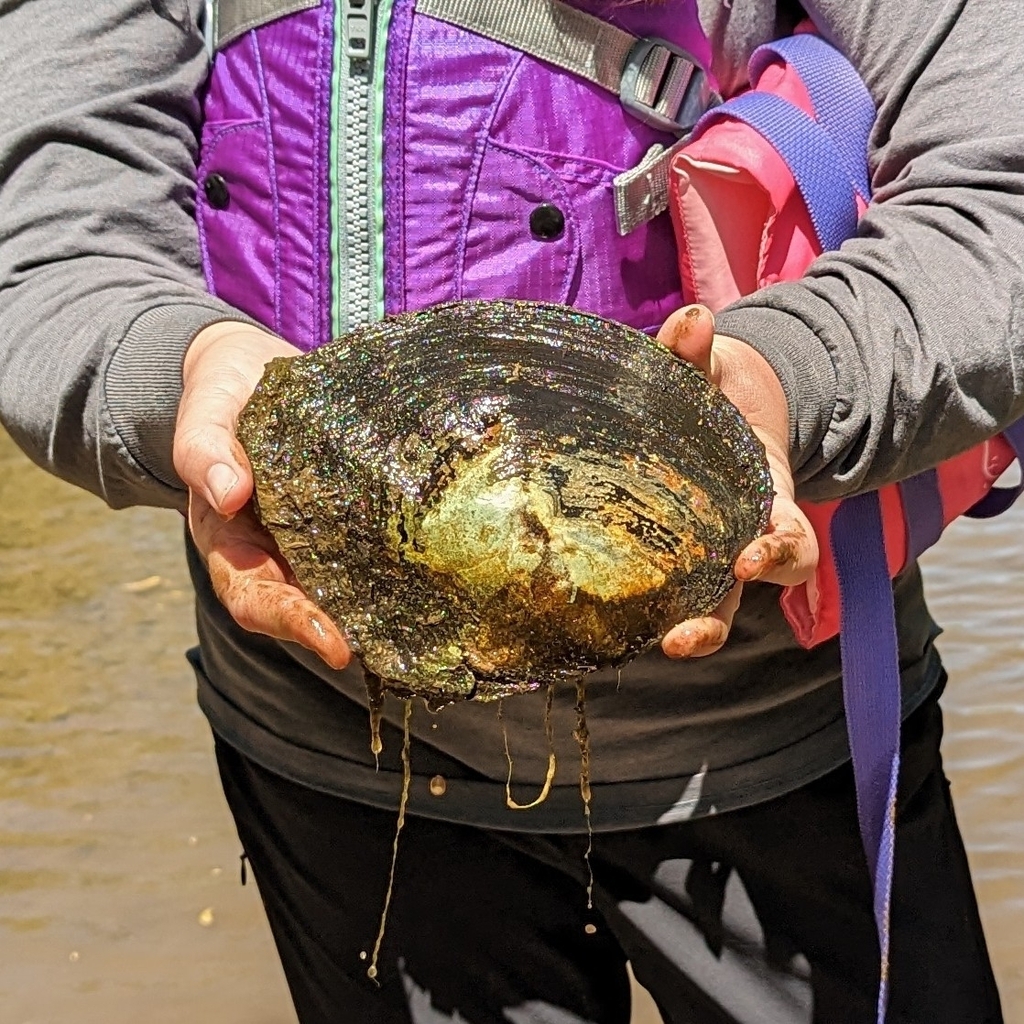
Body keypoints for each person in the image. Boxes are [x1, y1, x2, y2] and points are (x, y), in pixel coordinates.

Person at [0, 0, 1020, 1021]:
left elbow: (998, 193)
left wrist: (793, 373)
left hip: (771, 740)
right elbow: (49, 230)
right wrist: (176, 368)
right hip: (322, 740)